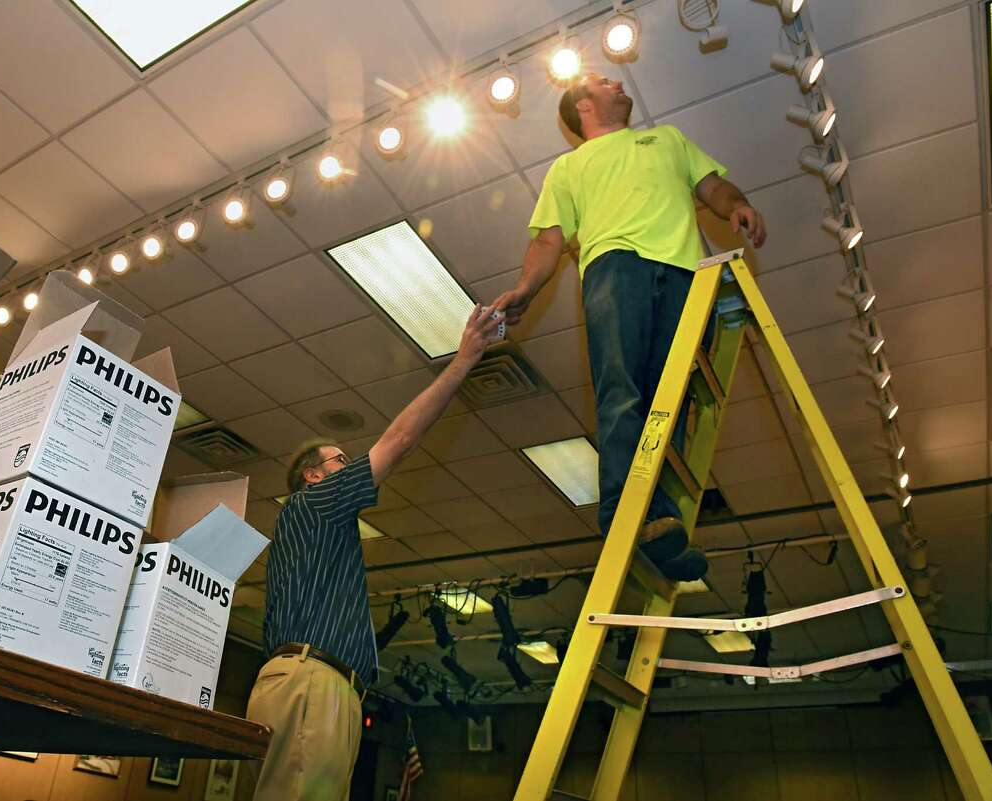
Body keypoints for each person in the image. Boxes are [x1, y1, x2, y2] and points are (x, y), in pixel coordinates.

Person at [493, 73, 768, 581]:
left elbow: (713, 187)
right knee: (623, 387)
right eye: (602, 80)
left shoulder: (668, 139)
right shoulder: (569, 166)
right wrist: (525, 290)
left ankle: (661, 519)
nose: (617, 81)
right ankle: (623, 511)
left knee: (674, 396)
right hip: (615, 266)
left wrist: (737, 205)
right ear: (584, 105)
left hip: (687, 273)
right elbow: (549, 241)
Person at [246, 305, 502, 801]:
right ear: (314, 475)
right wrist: (464, 359)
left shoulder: (316, 530)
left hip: (321, 681)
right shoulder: (313, 503)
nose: (352, 464)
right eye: (341, 459)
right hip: (312, 680)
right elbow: (400, 440)